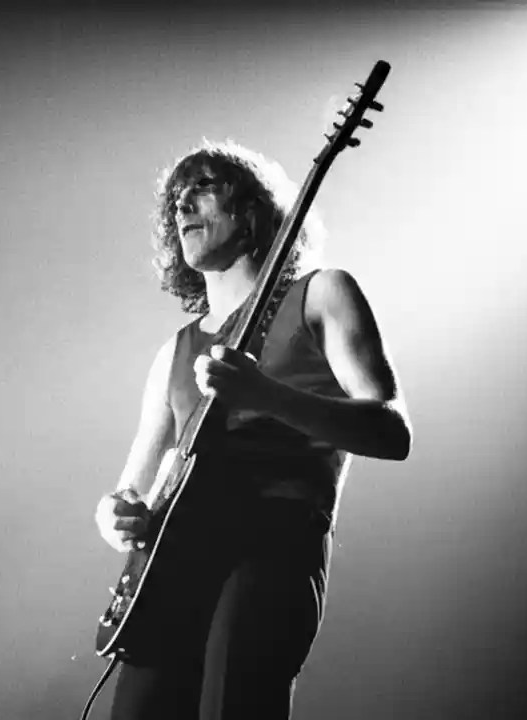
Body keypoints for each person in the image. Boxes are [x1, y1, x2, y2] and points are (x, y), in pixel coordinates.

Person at [94, 140, 411, 720]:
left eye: (204, 187)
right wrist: (118, 515)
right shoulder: (172, 353)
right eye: (176, 199)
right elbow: (129, 491)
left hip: (274, 541)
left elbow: (392, 431)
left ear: (251, 210)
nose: (183, 204)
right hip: (174, 563)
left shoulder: (322, 293)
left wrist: (265, 394)